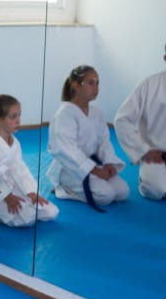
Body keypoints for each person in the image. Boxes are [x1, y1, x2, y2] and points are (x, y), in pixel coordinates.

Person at [48, 65, 129, 210]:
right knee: (106, 196)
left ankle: (90, 180)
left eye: (97, 83)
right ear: (76, 85)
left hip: (93, 163)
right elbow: (66, 150)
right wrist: (94, 170)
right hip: (70, 167)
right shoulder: (64, 114)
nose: (96, 88)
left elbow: (103, 141)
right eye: (91, 83)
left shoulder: (96, 113)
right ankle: (65, 187)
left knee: (123, 192)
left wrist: (108, 163)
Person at [0, 94, 59, 225]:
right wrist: (7, 196)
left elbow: (21, 169)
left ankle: (18, 208)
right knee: (28, 218)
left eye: (19, 115)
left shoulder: (15, 142)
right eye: (13, 117)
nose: (18, 121)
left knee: (51, 212)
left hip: (13, 187)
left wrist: (30, 191)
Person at [113, 46, 166, 200]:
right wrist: (143, 150)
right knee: (156, 189)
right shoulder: (150, 85)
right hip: (157, 155)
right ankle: (146, 177)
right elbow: (121, 119)